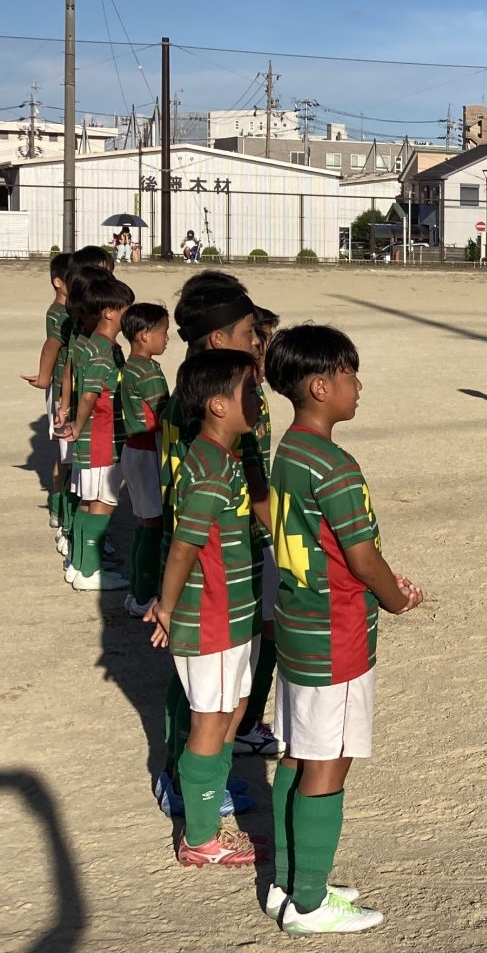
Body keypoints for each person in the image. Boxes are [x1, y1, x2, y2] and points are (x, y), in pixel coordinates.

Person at [265, 324, 425, 931]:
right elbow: (360, 558)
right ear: (320, 384)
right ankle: (308, 903)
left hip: (302, 621)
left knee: (300, 756)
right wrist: (396, 596)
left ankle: (289, 879)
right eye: (350, 373)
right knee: (328, 762)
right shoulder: (333, 464)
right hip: (337, 631)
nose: (358, 385)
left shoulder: (290, 451)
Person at [143, 348, 263, 868]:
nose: (258, 400)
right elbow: (185, 545)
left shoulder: (226, 457)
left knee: (231, 713)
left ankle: (209, 812)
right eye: (250, 392)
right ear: (217, 406)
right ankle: (199, 838)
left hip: (233, 612)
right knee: (210, 720)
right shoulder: (209, 467)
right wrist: (167, 606)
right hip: (209, 616)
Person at [60, 273, 136, 592]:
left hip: (92, 439)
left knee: (87, 502)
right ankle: (91, 571)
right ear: (108, 311)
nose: (128, 316)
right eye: (125, 309)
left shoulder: (91, 345)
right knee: (102, 505)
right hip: (102, 440)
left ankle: (78, 564)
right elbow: (90, 394)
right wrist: (77, 424)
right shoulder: (103, 351)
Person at [234, 306, 284, 758]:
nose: (267, 350)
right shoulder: (240, 397)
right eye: (262, 340)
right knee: (266, 629)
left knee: (264, 629)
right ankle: (245, 724)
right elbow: (251, 481)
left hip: (256, 527)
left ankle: (247, 719)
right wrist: (282, 538)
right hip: (251, 531)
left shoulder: (255, 393)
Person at [119, 302, 172, 616]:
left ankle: (136, 589)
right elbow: (162, 413)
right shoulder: (148, 370)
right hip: (148, 449)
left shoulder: (130, 366)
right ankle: (143, 596)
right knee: (153, 525)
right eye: (163, 333)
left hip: (133, 449)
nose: (167, 339)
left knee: (143, 523)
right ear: (143, 335)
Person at [21, 252, 73, 538]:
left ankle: (62, 508)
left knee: (67, 455)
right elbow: (51, 346)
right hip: (60, 385)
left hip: (66, 384)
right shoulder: (58, 312)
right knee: (66, 455)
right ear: (57, 282)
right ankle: (60, 508)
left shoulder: (70, 309)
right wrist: (44, 379)